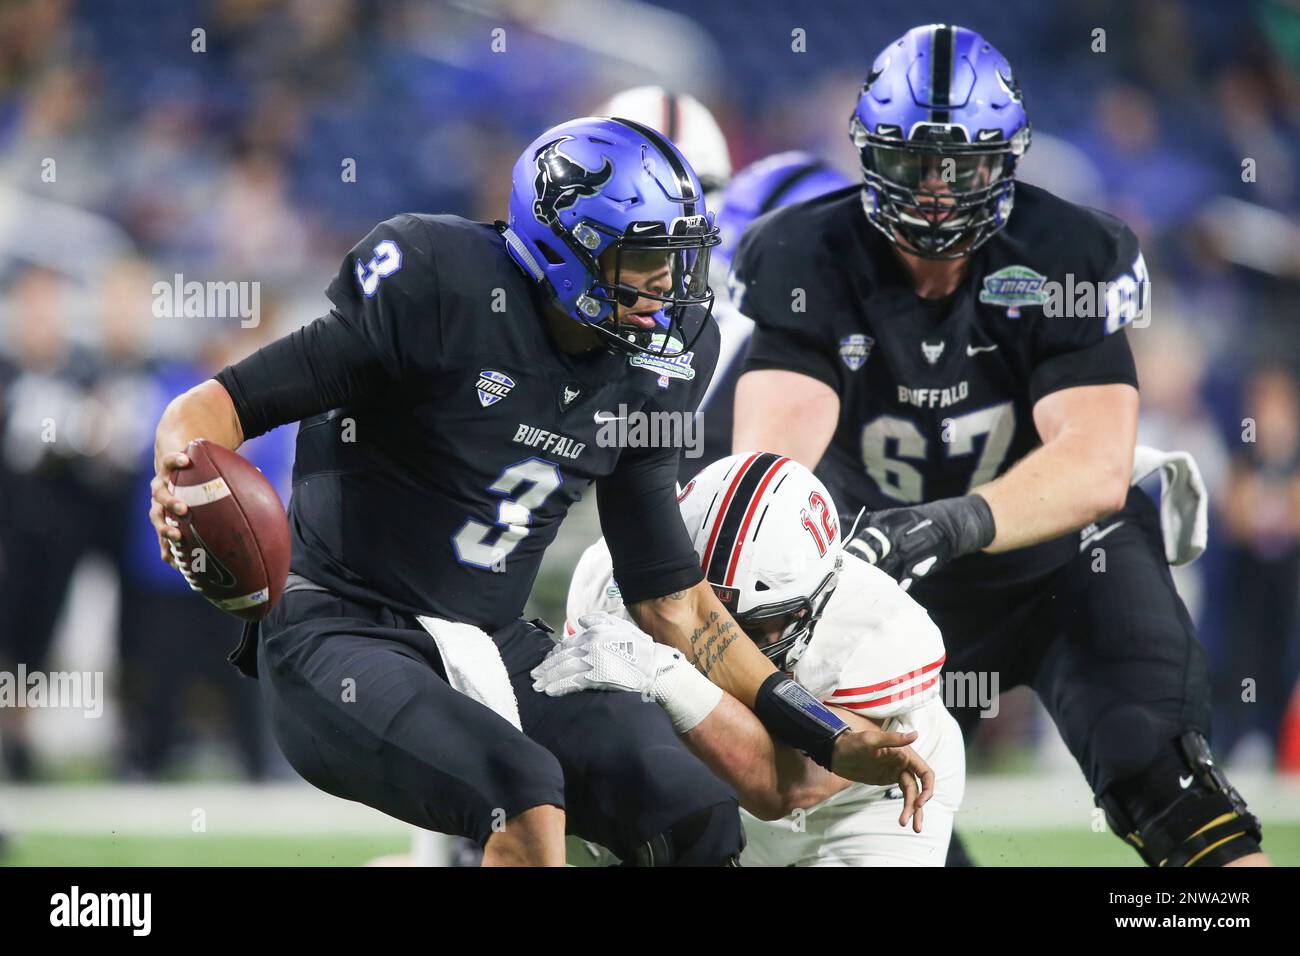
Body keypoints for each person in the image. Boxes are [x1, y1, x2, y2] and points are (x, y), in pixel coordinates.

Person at [148, 116, 931, 866]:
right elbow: (212, 408)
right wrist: (179, 484)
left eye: (678, 258)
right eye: (644, 259)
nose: (671, 284)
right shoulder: (436, 285)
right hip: (341, 628)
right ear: (570, 250)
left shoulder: (658, 360)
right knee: (520, 792)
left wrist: (824, 732)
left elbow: (674, 601)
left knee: (687, 804)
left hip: (494, 640)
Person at [729, 24, 1267, 867]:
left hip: (1061, 568)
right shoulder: (807, 255)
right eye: (915, 163)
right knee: (859, 814)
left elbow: (1094, 465)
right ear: (870, 156)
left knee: (1167, 782)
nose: (939, 191)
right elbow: (767, 476)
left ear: (1009, 157)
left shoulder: (1068, 252)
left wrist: (944, 524)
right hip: (877, 583)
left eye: (964, 164)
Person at [538, 454, 961, 865]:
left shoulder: (879, 630)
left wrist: (665, 675)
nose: (723, 637)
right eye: (694, 605)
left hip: (855, 812)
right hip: (701, 782)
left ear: (814, 603)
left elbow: (784, 790)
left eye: (752, 627)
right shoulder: (616, 577)